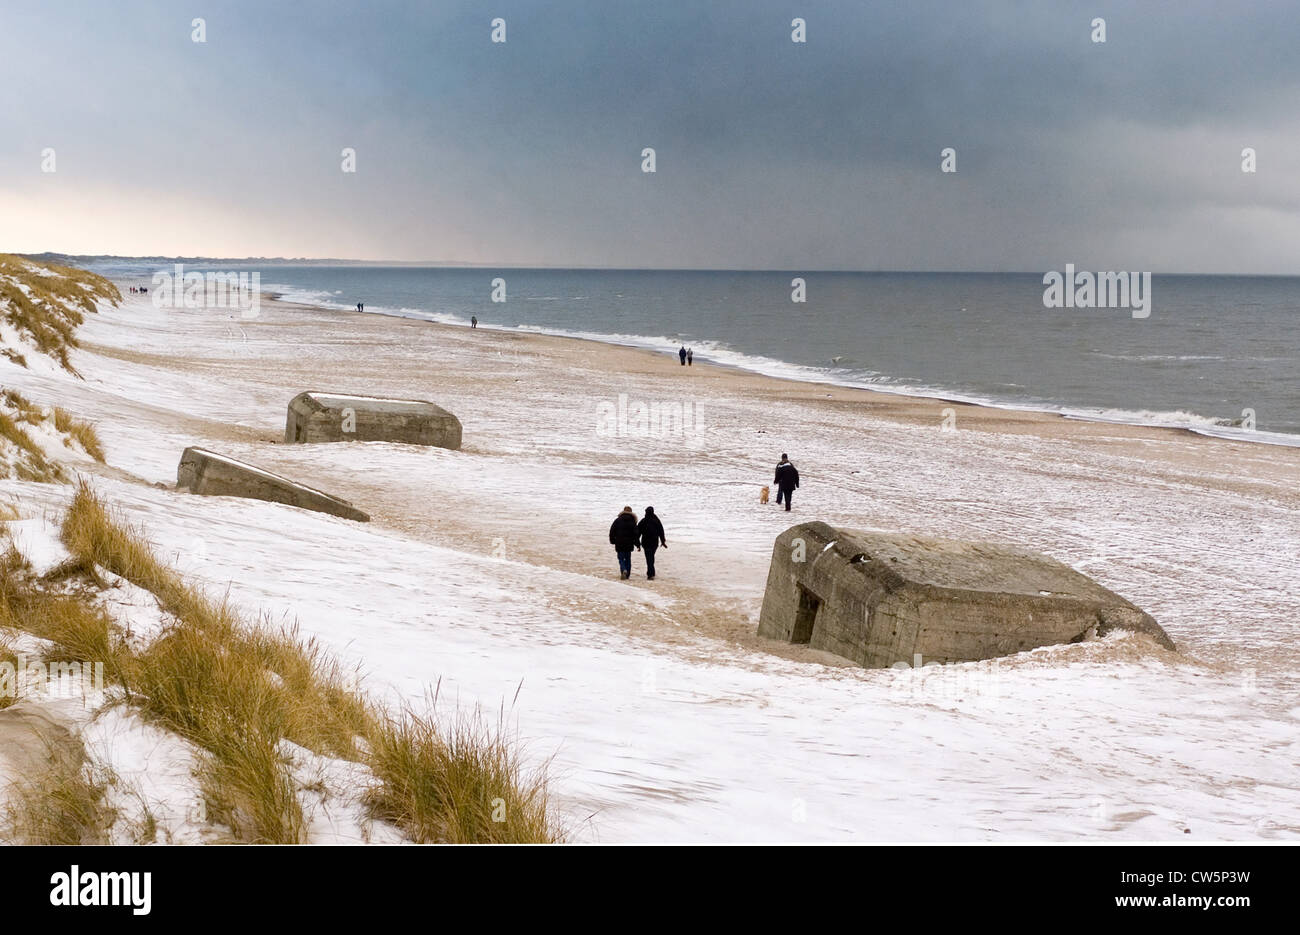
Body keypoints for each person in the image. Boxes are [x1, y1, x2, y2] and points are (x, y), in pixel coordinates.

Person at [609, 506, 640, 579]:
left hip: (619, 542)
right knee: (628, 559)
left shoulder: (617, 520)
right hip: (629, 544)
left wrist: (612, 540)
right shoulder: (633, 522)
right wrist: (638, 545)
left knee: (620, 558)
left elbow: (612, 531)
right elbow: (636, 534)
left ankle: (623, 569)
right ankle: (627, 575)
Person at [637, 507, 667, 580]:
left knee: (649, 557)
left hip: (645, 542)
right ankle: (651, 573)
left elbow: (637, 532)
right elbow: (661, 532)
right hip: (654, 542)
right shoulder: (656, 521)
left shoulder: (643, 521)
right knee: (651, 557)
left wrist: (637, 543)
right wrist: (663, 542)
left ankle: (650, 574)